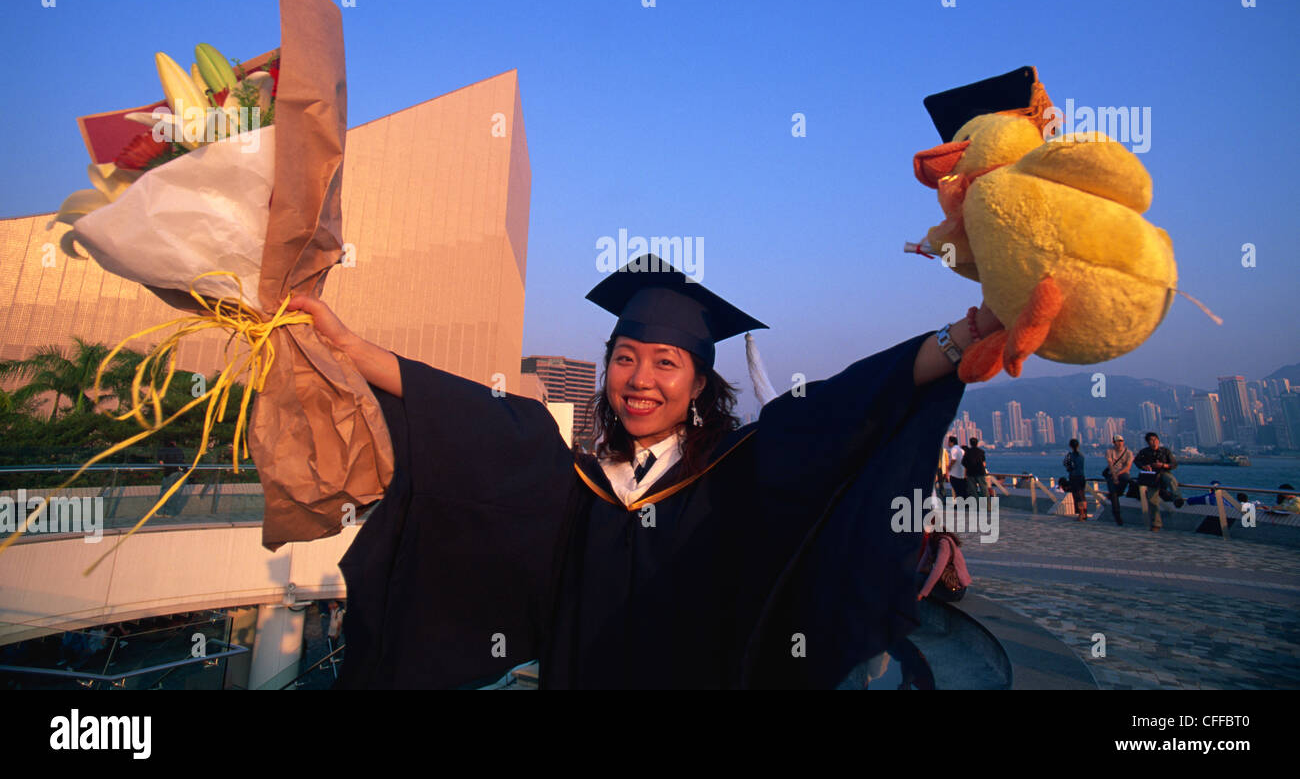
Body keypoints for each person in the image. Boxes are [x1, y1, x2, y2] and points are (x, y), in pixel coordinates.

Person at [287, 254, 1003, 689]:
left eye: (667, 362)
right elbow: (468, 418)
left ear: (699, 385)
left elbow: (846, 405)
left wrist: (963, 338)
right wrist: (348, 345)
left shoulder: (737, 470)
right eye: (625, 356)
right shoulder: (577, 481)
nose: (640, 378)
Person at [1133, 431, 1184, 531]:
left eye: (1155, 440)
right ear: (1148, 442)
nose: (1154, 442)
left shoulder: (1165, 451)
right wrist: (1144, 466)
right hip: (1151, 476)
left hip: (1163, 472)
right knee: (1152, 500)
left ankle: (1177, 499)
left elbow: (1174, 464)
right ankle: (1156, 524)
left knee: (1171, 480)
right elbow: (1137, 461)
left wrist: (1163, 465)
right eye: (1151, 440)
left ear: (1158, 440)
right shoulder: (1144, 452)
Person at [915, 530, 971, 602]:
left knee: (918, 583)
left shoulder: (944, 542)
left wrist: (922, 594)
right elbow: (923, 562)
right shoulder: (931, 539)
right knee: (914, 580)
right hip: (945, 582)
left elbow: (937, 570)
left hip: (955, 590)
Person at [1103, 435, 1134, 525]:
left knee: (1127, 479)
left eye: (1121, 441)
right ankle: (1117, 516)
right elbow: (1110, 465)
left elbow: (1127, 467)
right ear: (1113, 442)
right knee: (1114, 494)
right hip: (1111, 474)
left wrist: (1118, 474)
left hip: (1123, 473)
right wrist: (1114, 476)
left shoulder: (1128, 453)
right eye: (1117, 441)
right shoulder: (1109, 451)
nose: (1119, 443)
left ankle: (1124, 493)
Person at [1062, 438, 1088, 521]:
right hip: (1082, 477)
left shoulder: (1070, 455)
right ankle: (1085, 513)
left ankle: (1081, 514)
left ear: (1070, 446)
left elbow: (1065, 464)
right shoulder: (1081, 455)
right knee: (1082, 495)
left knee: (1077, 496)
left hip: (1074, 477)